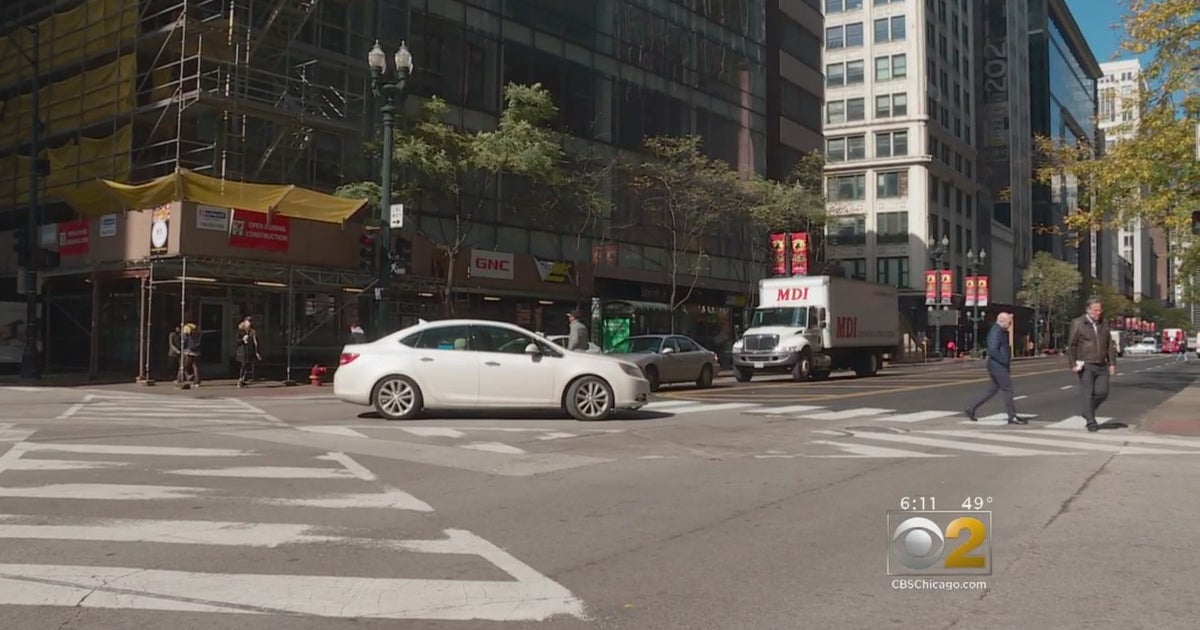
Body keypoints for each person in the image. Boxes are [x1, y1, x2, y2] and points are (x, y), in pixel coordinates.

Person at [963, 312, 1026, 425]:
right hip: (997, 365)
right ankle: (1012, 417)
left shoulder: (1000, 331)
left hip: (998, 365)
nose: (1010, 324)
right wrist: (1004, 360)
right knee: (1008, 390)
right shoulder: (995, 331)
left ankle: (971, 408)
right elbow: (992, 350)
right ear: (1001, 320)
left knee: (991, 390)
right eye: (1009, 322)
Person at [1066, 298, 1118, 432]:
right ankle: (1091, 421)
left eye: (1100, 310)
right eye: (1095, 310)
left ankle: (1087, 411)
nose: (1098, 313)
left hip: (1102, 364)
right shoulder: (1078, 323)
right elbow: (1071, 345)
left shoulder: (1104, 323)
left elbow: (1109, 345)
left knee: (1103, 392)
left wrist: (1112, 363)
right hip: (1086, 364)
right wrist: (1073, 363)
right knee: (1087, 393)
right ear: (1088, 310)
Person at [236, 318, 262, 388]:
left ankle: (243, 380)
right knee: (243, 364)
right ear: (245, 322)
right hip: (243, 350)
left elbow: (255, 342)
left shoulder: (252, 331)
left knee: (247, 365)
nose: (249, 323)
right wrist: (243, 340)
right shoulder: (241, 331)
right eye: (248, 321)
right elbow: (238, 341)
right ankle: (240, 380)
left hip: (250, 350)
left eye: (250, 321)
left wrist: (257, 352)